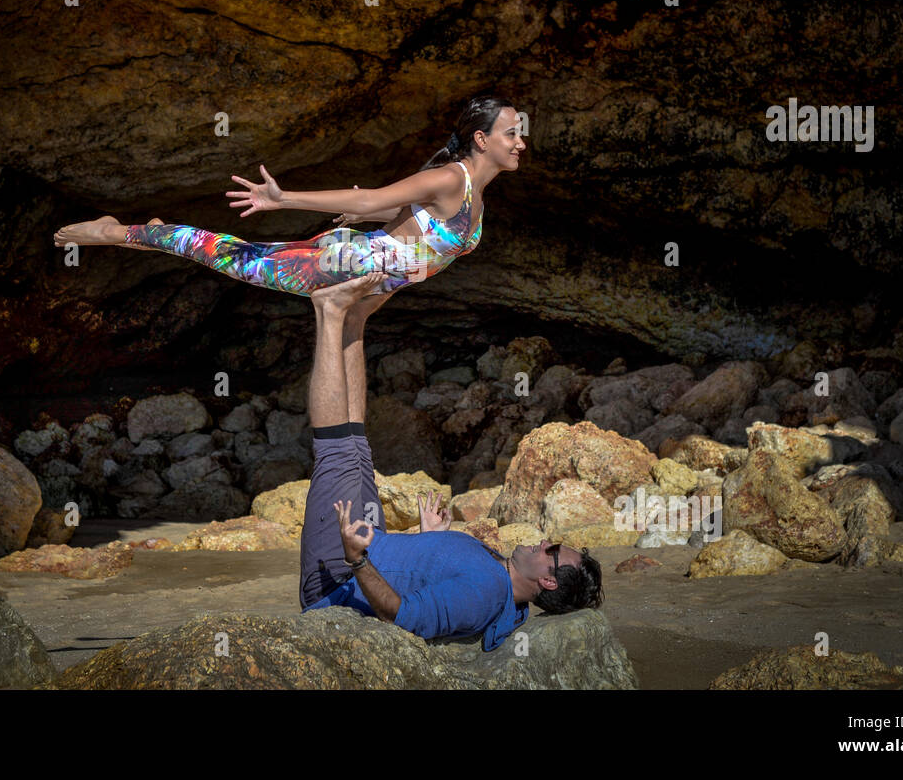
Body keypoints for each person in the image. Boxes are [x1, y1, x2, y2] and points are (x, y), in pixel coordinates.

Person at [298, 272, 603, 651]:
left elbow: (400, 615)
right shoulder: (500, 584)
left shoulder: (483, 597)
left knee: (336, 451)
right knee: (357, 444)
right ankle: (355, 319)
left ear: (549, 581)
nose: (543, 542)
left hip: (338, 579)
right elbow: (429, 594)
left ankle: (328, 309)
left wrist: (357, 560)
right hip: (369, 543)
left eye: (552, 551)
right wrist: (429, 543)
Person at [51, 96, 525, 296]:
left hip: (368, 275)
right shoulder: (451, 179)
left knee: (231, 253)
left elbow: (396, 216)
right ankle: (116, 231)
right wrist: (283, 200)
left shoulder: (474, 200)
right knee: (234, 258)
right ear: (481, 140)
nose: (520, 142)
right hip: (348, 263)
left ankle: (154, 234)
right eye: (511, 133)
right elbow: (370, 201)